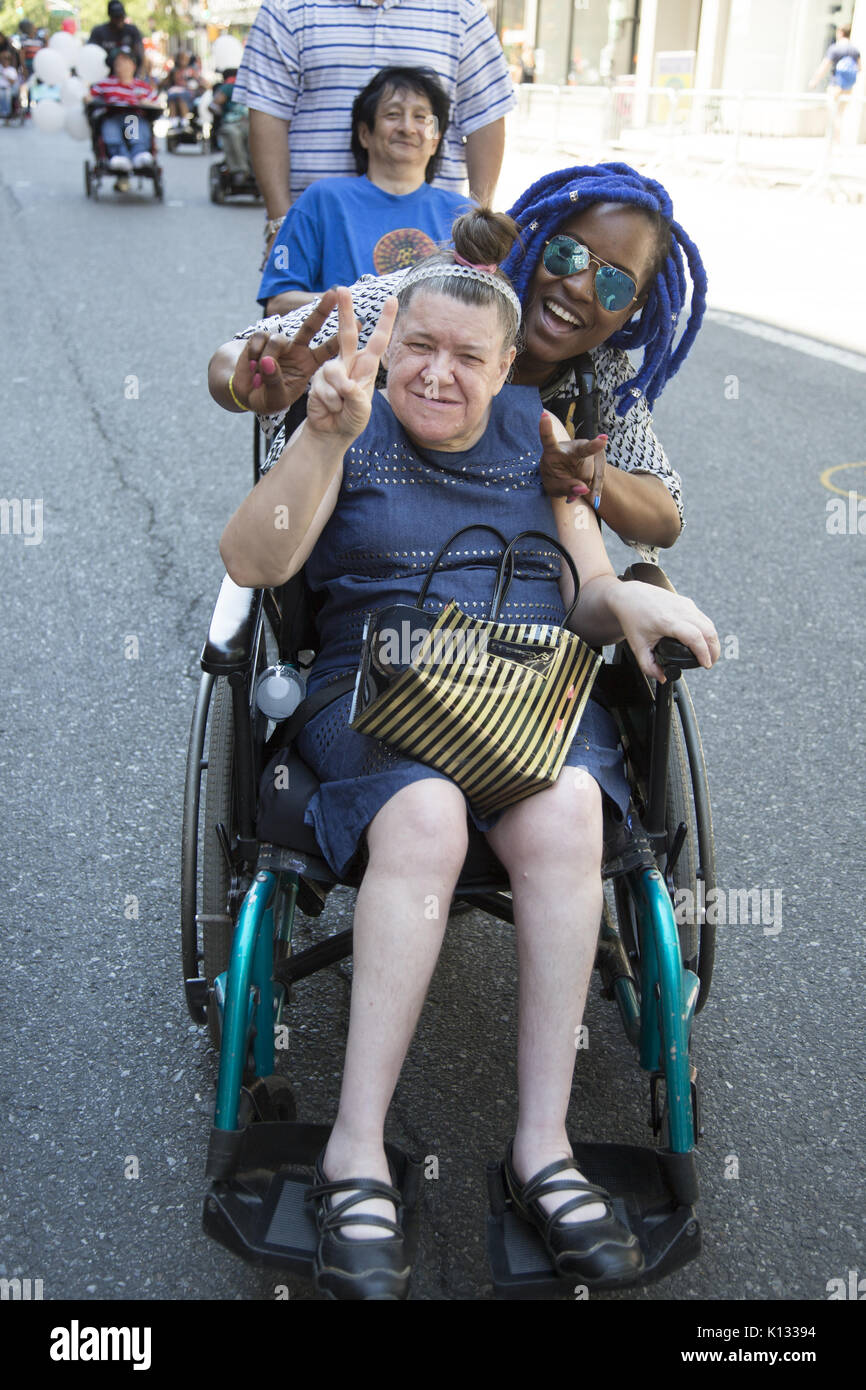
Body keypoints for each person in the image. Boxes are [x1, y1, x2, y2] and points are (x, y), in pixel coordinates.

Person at [217, 210, 719, 1300]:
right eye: (419, 349)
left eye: (467, 357)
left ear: (505, 370)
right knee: (429, 815)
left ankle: (543, 1145)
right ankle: (354, 1148)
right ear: (389, 344)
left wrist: (626, 596)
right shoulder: (344, 418)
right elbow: (252, 562)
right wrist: (320, 436)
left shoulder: (540, 436)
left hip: (521, 687)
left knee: (570, 816)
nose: (438, 374)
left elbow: (586, 585)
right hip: (374, 687)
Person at [209, 162, 708, 565]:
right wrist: (247, 383)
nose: (578, 286)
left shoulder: (603, 372)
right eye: (567, 254)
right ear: (535, 245)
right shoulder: (429, 296)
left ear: (634, 308)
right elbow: (232, 356)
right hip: (356, 561)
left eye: (614, 284)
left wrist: (591, 476)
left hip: (506, 592)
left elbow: (666, 517)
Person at [229, 0, 517, 267]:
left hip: (433, 233)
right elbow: (268, 116)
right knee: (309, 313)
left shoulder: (462, 12)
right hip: (318, 230)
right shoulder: (286, 8)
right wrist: (281, 224)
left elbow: (485, 119)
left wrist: (478, 229)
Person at [258, 66, 469, 316]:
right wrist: (360, 303)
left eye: (421, 117)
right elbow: (278, 302)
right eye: (392, 115)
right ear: (365, 134)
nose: (407, 128)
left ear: (435, 140)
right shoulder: (321, 200)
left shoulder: (464, 215)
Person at [88, 47, 160, 190]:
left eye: (126, 62)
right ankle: (120, 156)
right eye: (119, 63)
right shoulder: (106, 84)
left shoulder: (142, 86)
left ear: (133, 65)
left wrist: (146, 102)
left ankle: (139, 154)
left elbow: (156, 104)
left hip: (133, 117)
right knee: (110, 127)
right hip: (113, 116)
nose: (122, 66)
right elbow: (90, 97)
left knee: (134, 125)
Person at [809, 22, 861, 140]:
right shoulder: (855, 50)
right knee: (840, 114)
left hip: (835, 85)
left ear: (840, 33)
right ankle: (836, 140)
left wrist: (814, 81)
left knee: (833, 114)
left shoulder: (835, 48)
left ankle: (833, 141)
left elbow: (824, 66)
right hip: (848, 87)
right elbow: (860, 68)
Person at [209, 67, 251, 186]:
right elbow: (214, 104)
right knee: (233, 134)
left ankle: (256, 170)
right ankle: (239, 170)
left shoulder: (254, 86)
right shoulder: (228, 87)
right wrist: (218, 112)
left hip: (250, 122)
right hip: (232, 122)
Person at [88, 1, 145, 75]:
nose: (119, 20)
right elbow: (91, 55)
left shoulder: (132, 31)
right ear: (110, 16)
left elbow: (140, 55)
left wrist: (138, 75)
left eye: (121, 16)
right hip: (104, 76)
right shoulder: (98, 32)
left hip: (128, 77)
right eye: (116, 17)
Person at [162, 49, 204, 123]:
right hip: (174, 93)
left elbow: (200, 81)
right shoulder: (174, 70)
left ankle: (184, 120)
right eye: (182, 58)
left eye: (185, 58)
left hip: (188, 94)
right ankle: (173, 120)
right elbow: (165, 82)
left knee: (180, 98)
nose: (183, 61)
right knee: (173, 98)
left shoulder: (192, 70)